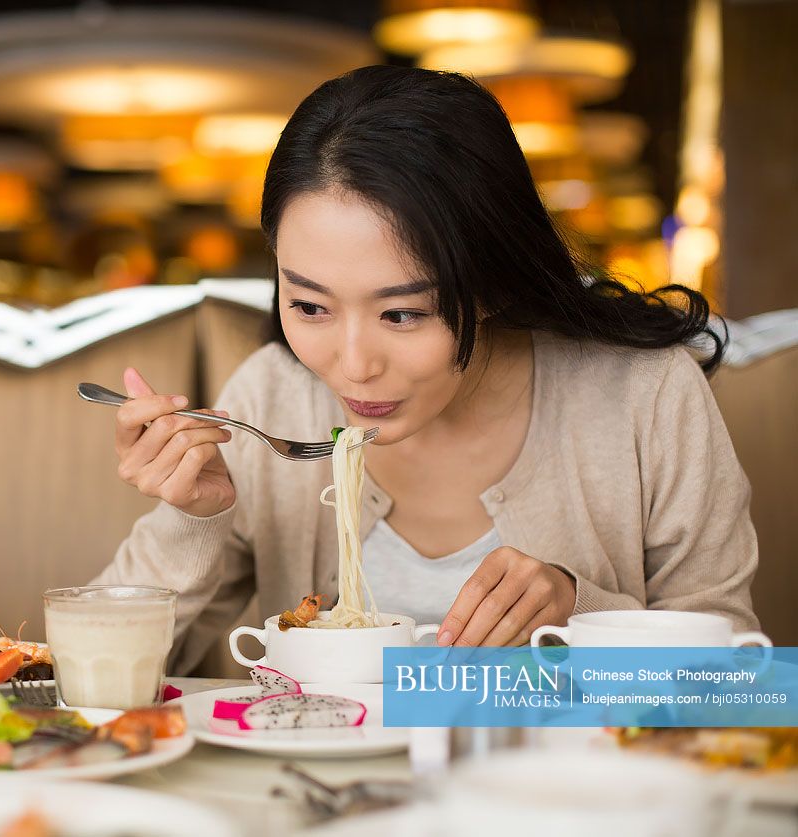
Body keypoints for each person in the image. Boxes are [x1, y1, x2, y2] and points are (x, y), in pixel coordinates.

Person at [92, 66, 759, 675]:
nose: (351, 366)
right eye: (309, 305)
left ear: (490, 282)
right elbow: (98, 669)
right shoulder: (271, 398)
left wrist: (579, 616)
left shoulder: (642, 395)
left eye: (403, 314)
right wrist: (190, 518)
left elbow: (735, 676)